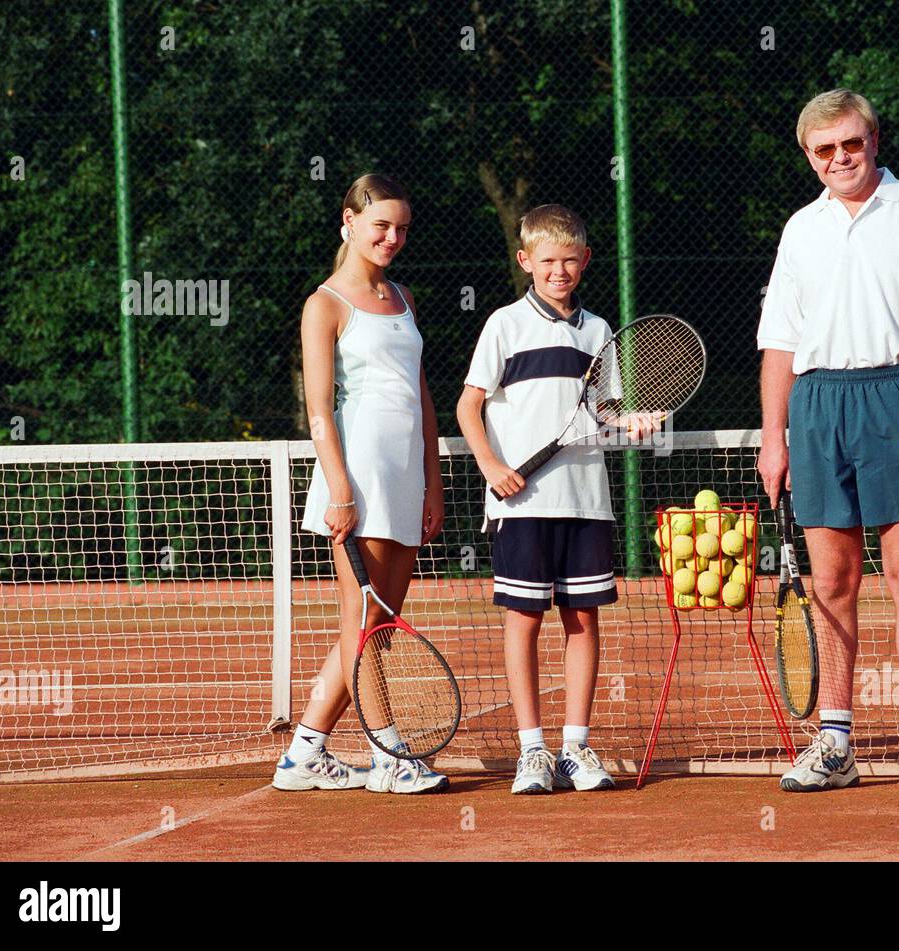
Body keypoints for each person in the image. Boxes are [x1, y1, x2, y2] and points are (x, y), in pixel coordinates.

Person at [756, 89, 899, 794]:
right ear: (809, 156)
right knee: (831, 581)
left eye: (850, 144)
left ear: (874, 141)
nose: (839, 158)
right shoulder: (800, 229)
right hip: (818, 403)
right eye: (824, 150)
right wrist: (775, 436)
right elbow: (779, 343)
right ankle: (835, 742)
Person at [456, 204, 653, 794]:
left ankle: (575, 748)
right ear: (526, 263)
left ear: (586, 261)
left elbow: (603, 417)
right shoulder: (503, 325)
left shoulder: (599, 333)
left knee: (583, 620)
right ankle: (532, 752)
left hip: (586, 502)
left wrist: (633, 423)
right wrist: (492, 467)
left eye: (569, 260)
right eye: (547, 261)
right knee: (524, 620)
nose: (559, 271)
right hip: (520, 505)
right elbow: (470, 405)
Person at [273, 173, 449, 794]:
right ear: (349, 223)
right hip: (356, 473)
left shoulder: (403, 298)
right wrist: (339, 486)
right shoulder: (324, 305)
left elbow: (423, 398)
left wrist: (433, 481)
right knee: (364, 617)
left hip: (404, 474)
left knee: (379, 619)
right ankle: (388, 755)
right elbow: (319, 407)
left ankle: (304, 754)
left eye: (401, 228)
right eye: (381, 226)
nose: (393, 237)